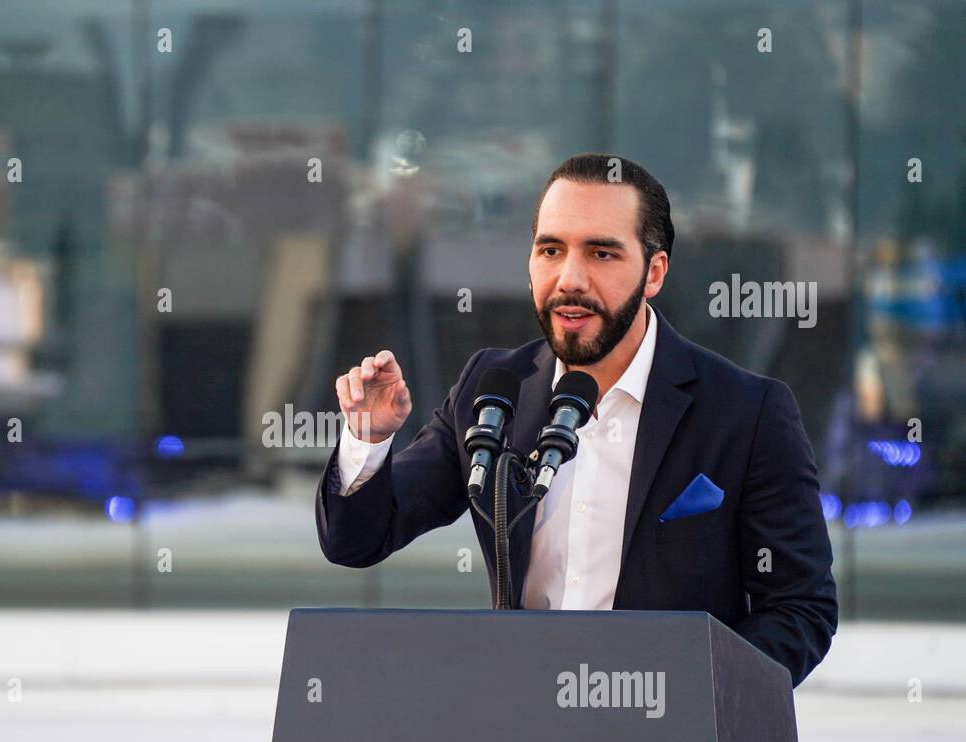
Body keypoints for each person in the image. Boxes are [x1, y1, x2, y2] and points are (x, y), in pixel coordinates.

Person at [317, 153, 837, 688]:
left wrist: (694, 698)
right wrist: (368, 439)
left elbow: (801, 609)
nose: (570, 278)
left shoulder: (747, 412)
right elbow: (357, 541)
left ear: (653, 271)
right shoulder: (492, 388)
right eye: (551, 250)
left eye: (602, 253)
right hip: (524, 734)